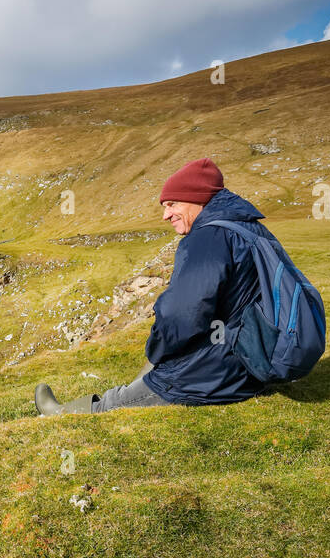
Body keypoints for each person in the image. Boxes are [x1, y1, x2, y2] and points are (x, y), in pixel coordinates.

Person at [35, 157, 272, 414]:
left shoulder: (208, 238)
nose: (165, 215)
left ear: (197, 198)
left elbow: (182, 314)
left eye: (172, 204)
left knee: (128, 398)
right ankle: (141, 383)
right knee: (156, 369)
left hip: (217, 373)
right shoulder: (248, 228)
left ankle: (60, 414)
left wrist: (156, 349)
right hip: (253, 362)